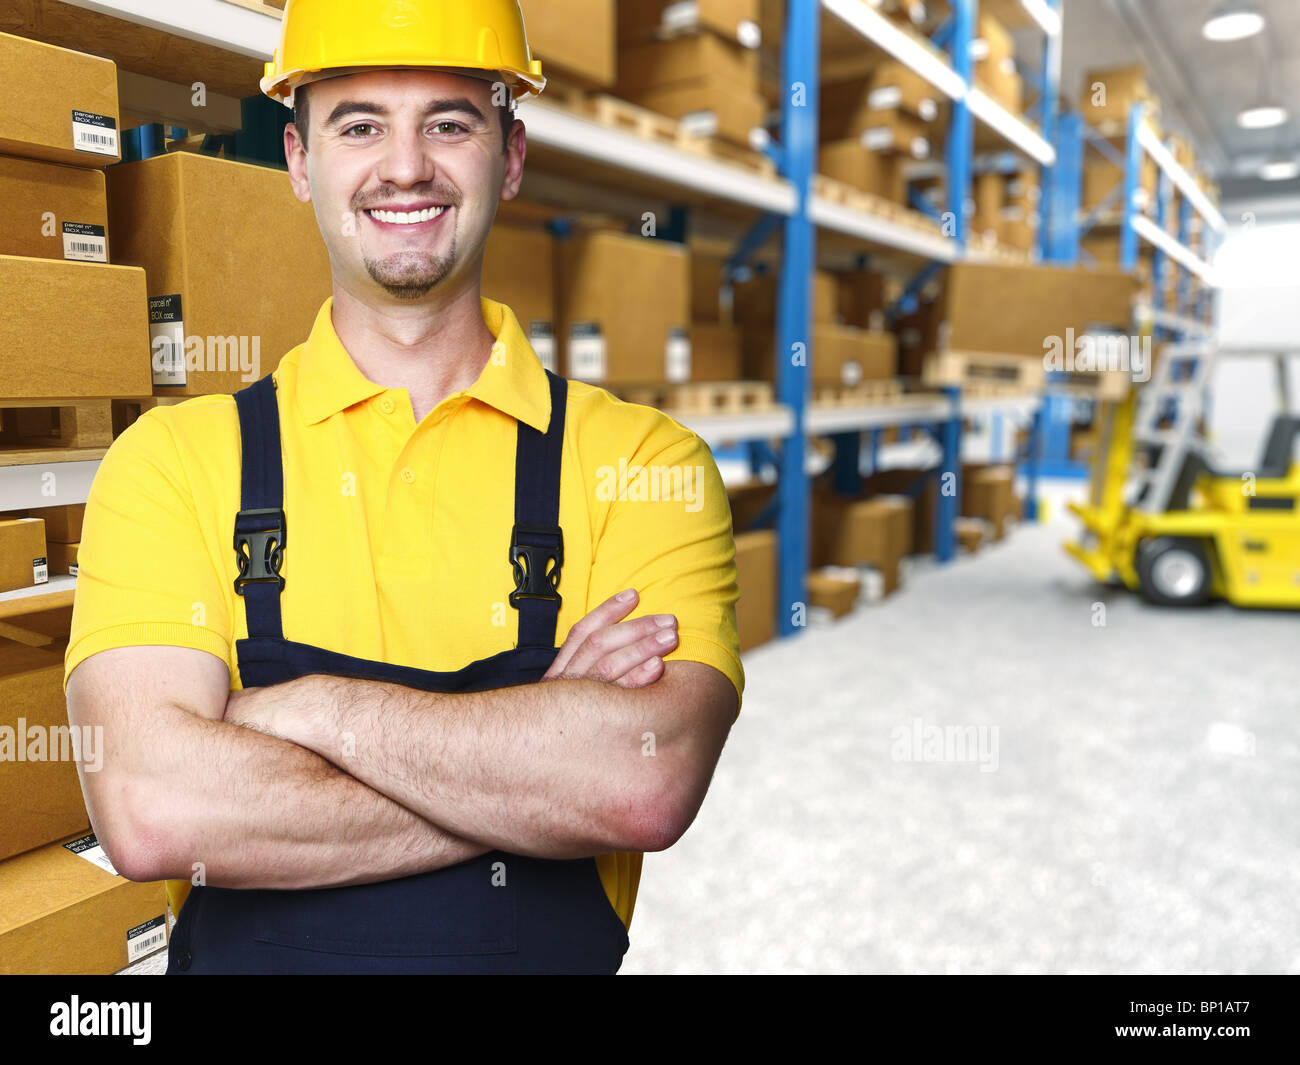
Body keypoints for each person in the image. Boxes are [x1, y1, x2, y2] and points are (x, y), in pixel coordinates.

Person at [63, 0, 743, 974]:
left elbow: (641, 784)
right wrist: (533, 768)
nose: (407, 166)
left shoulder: (645, 462)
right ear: (299, 161)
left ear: (509, 156)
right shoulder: (173, 463)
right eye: (360, 124)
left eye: (450, 122)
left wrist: (304, 712)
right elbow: (151, 809)